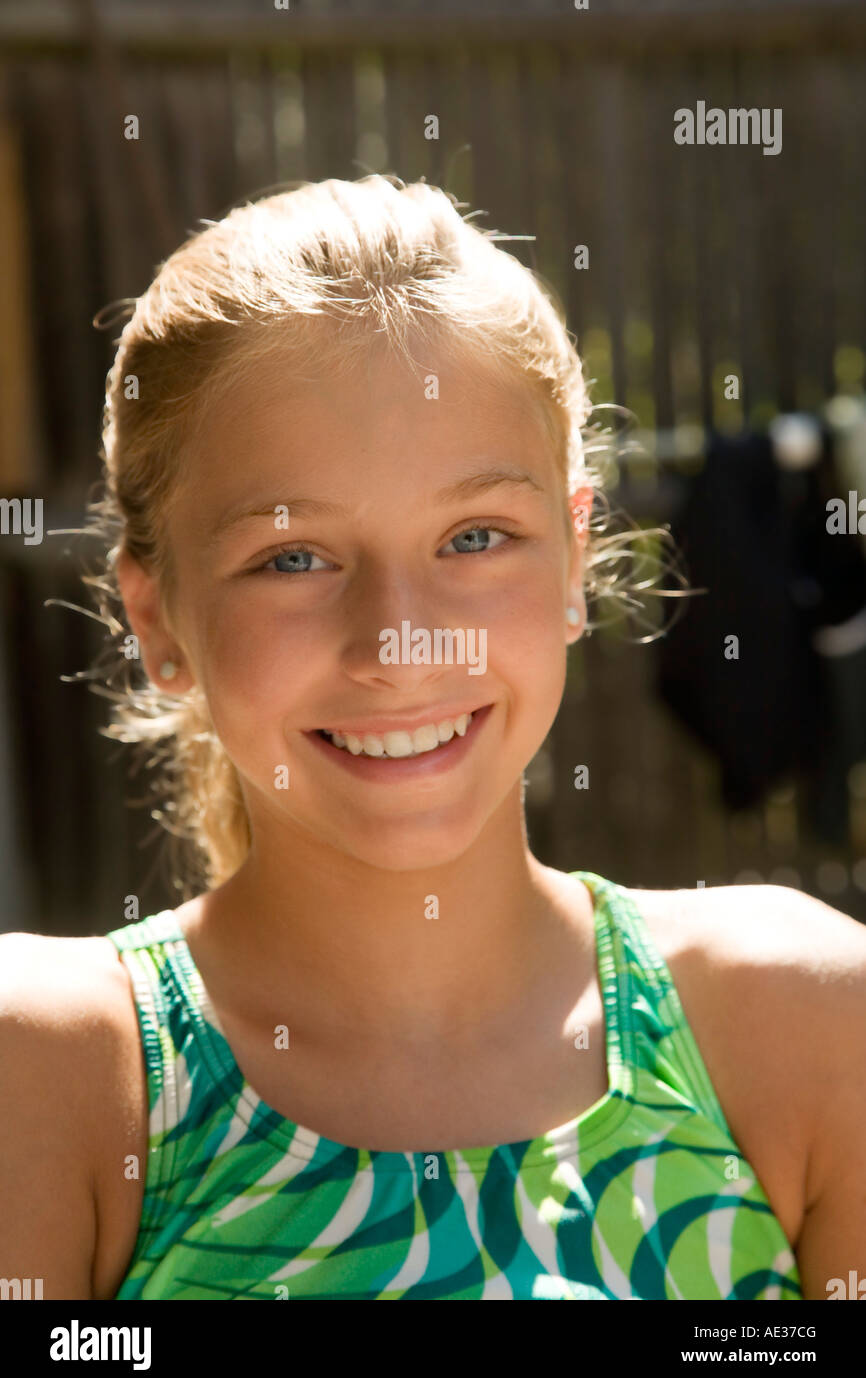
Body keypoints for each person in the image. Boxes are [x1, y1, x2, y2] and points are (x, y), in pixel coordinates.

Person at [2, 175, 864, 1301]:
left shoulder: (802, 1022)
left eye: (473, 535)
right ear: (156, 617)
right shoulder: (60, 1075)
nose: (397, 643)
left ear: (571, 556)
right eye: (293, 556)